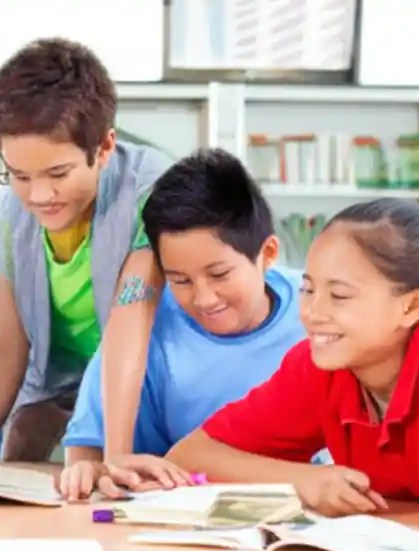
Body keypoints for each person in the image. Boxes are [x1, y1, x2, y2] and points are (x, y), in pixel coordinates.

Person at [167, 199, 419, 551]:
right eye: (308, 290)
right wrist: (304, 479)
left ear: (412, 306)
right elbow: (191, 455)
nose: (312, 313)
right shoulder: (321, 365)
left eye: (339, 296)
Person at [0, 37, 185, 484]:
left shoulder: (151, 191)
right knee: (19, 442)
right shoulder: (14, 209)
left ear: (104, 148)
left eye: (58, 174)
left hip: (145, 381)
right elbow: (6, 346)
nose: (38, 196)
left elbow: (130, 327)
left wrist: (116, 458)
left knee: (115, 478)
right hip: (59, 387)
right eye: (19, 175)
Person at [59, 149, 306, 499]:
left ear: (266, 254)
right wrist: (91, 471)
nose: (203, 299)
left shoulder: (320, 311)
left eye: (219, 274)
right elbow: (89, 451)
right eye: (180, 280)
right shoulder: (144, 331)